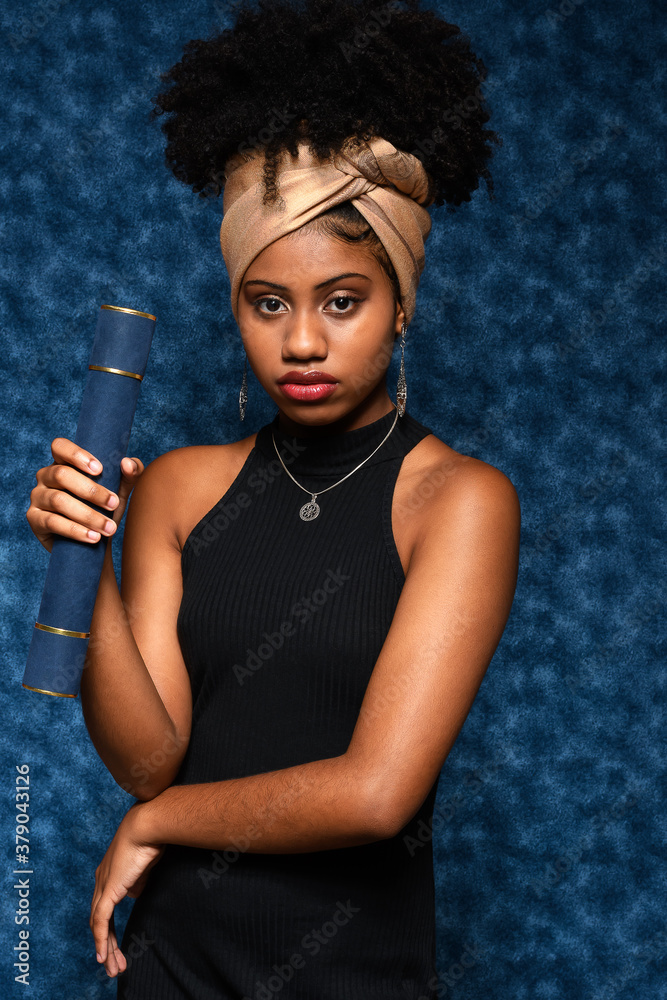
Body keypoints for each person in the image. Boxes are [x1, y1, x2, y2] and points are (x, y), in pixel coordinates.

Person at [26, 0, 519, 996]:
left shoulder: (457, 500)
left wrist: (157, 825)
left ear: (400, 303)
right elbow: (149, 759)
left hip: (354, 974)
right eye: (268, 302)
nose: (300, 342)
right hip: (170, 965)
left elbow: (377, 793)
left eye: (342, 301)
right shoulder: (177, 486)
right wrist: (89, 560)